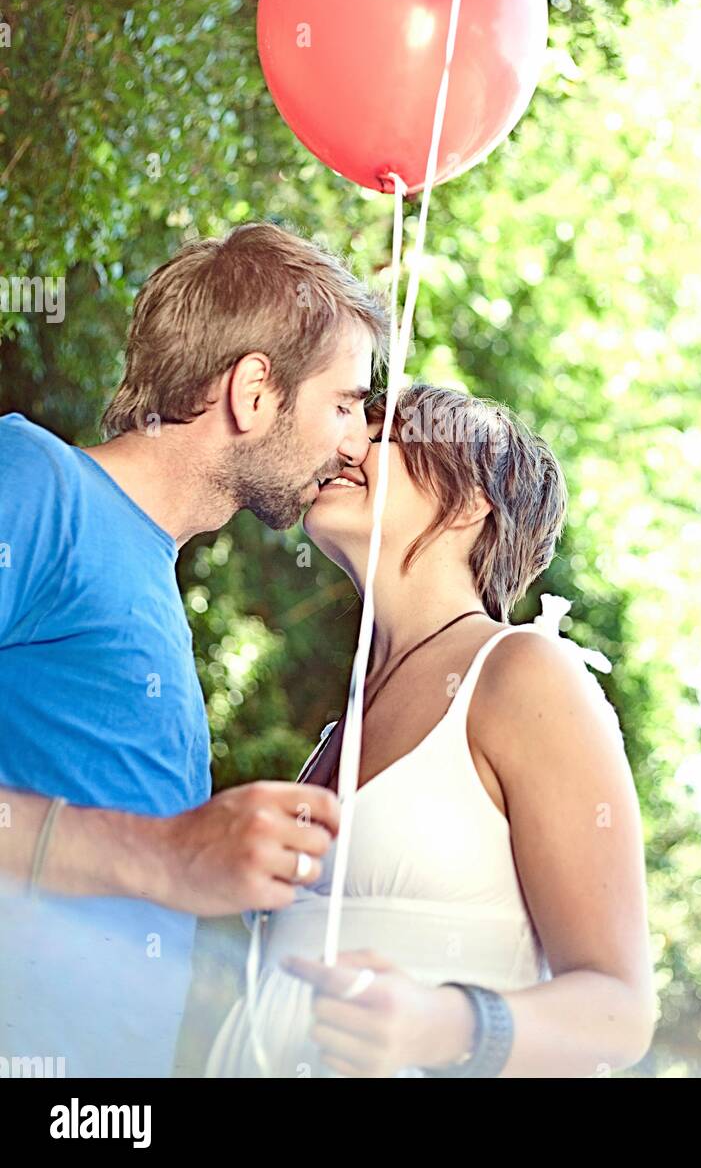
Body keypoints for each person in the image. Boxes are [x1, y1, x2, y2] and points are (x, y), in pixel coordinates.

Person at [0, 221, 387, 1076]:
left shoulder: (149, 574)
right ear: (254, 391)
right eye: (346, 403)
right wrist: (163, 856)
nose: (359, 443)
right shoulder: (37, 484)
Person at [206, 383, 654, 1078]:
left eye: (385, 432)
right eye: (349, 422)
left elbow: (620, 1014)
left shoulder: (525, 675)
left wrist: (443, 1024)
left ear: (472, 501)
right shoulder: (332, 738)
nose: (346, 443)